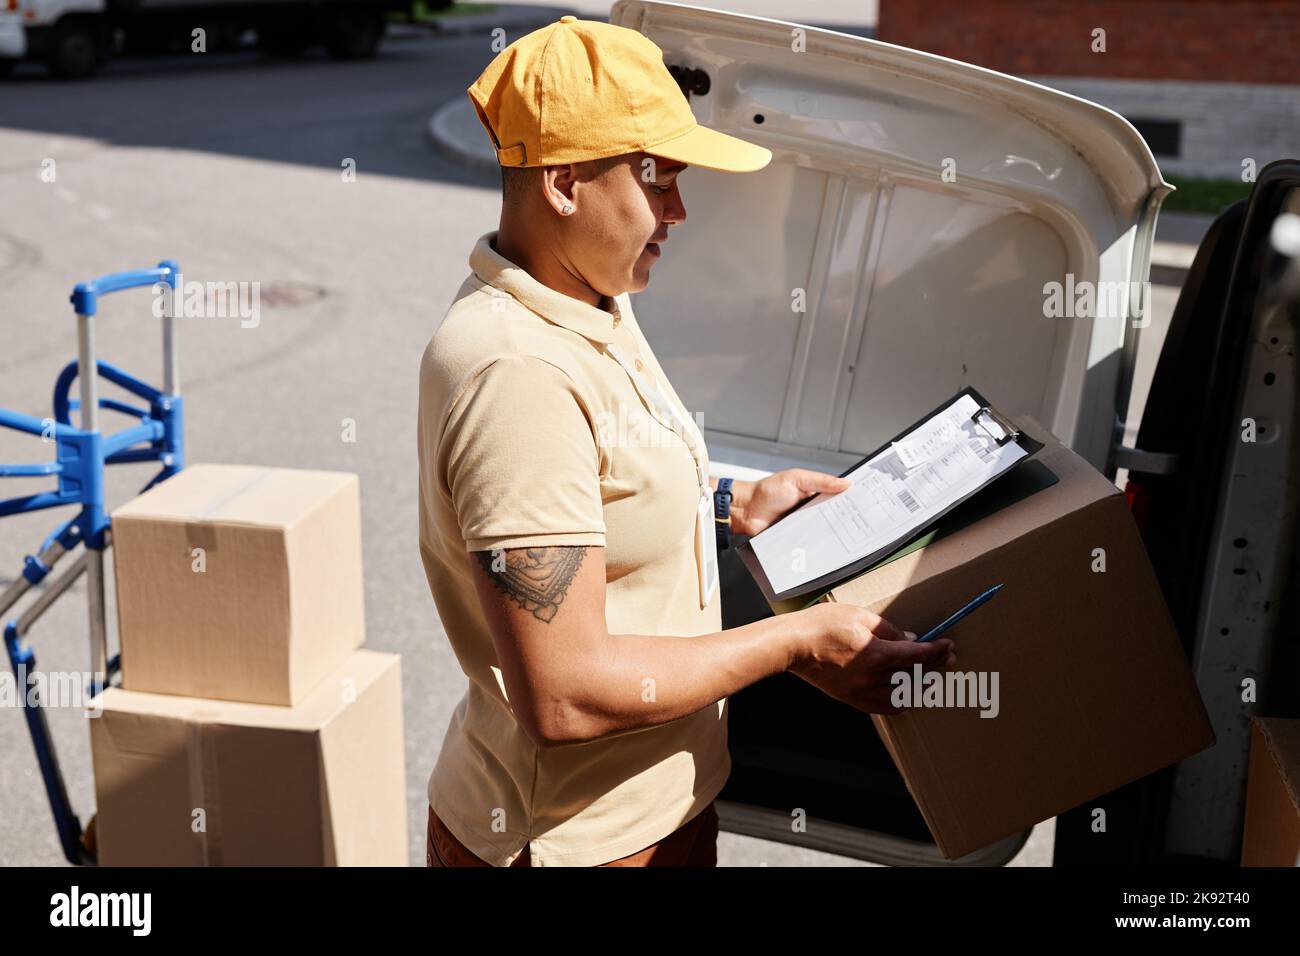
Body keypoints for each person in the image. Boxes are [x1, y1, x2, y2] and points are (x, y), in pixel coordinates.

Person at [417, 15, 955, 868]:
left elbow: (600, 486)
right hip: (574, 842)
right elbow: (563, 696)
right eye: (655, 177)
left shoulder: (591, 297)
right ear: (563, 181)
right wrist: (797, 644)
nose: (678, 207)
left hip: (658, 815)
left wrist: (733, 503)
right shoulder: (515, 372)